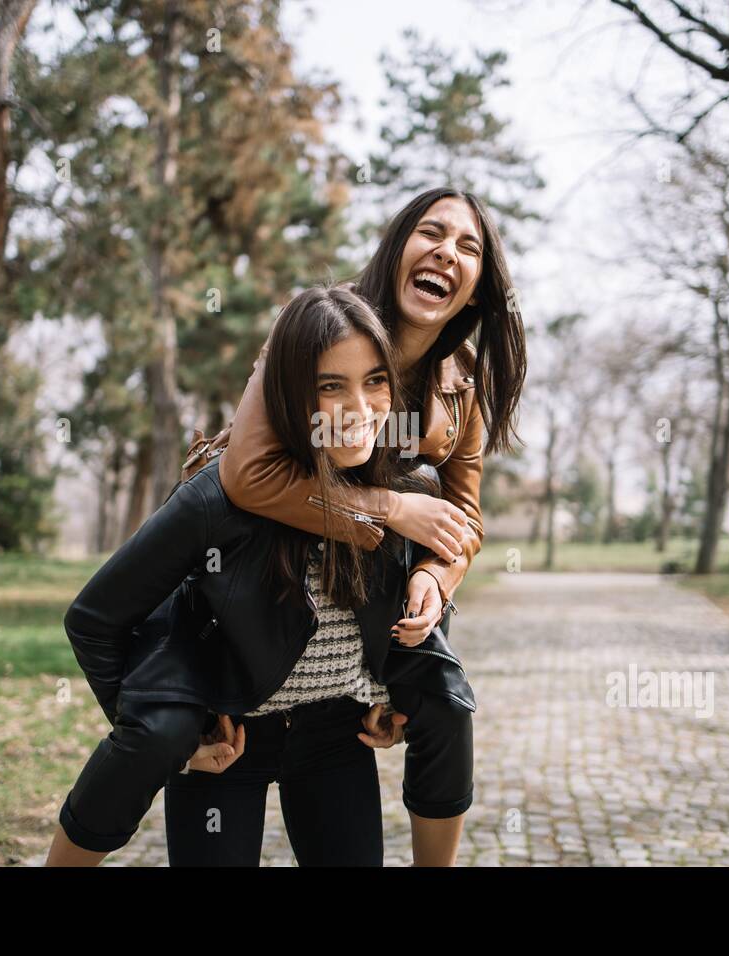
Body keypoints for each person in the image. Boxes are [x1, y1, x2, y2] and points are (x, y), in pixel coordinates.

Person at [44, 284, 473, 866]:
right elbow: (93, 619)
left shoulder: (407, 492)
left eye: (374, 381)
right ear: (288, 393)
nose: (361, 407)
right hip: (227, 743)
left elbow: (409, 592)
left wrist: (383, 689)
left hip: (335, 742)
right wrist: (167, 736)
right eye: (330, 386)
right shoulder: (216, 499)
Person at [200, 186, 527, 864]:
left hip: (367, 596)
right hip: (267, 574)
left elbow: (463, 515)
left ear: (474, 293)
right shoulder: (318, 326)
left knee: (445, 704)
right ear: (396, 246)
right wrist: (393, 509)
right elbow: (248, 474)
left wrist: (438, 577)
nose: (447, 251)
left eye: (469, 247)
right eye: (431, 232)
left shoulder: (461, 389)